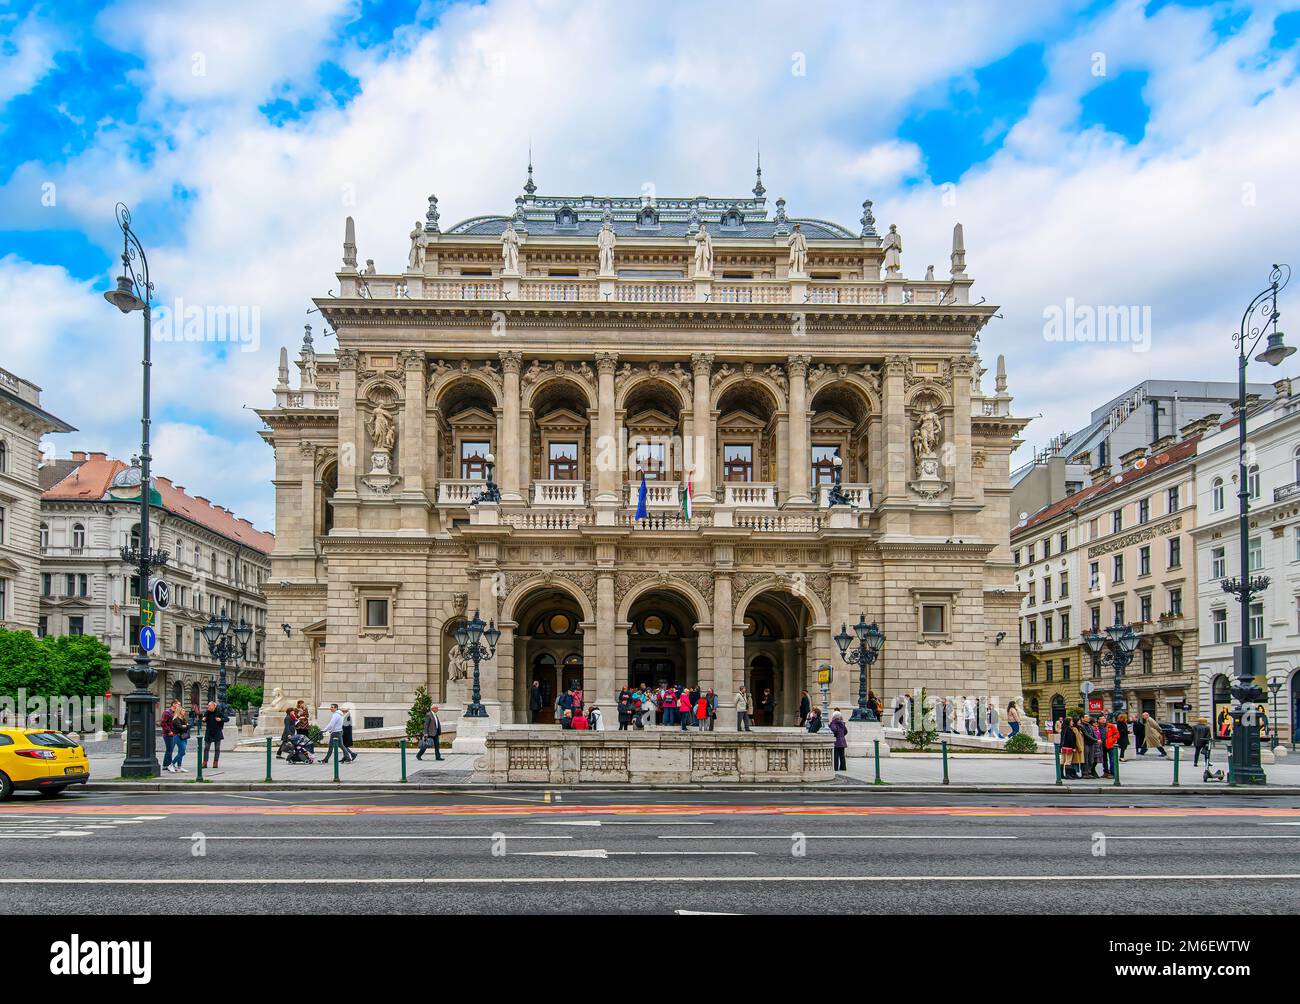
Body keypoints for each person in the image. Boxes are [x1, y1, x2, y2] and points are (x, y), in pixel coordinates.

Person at [201, 701, 225, 770]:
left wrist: (220, 719)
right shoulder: (207, 712)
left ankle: (215, 762)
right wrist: (203, 719)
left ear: (214, 706)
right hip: (209, 733)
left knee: (217, 748)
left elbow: (227, 719)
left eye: (210, 706)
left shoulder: (219, 712)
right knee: (206, 748)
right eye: (208, 706)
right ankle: (205, 762)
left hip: (217, 733)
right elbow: (204, 718)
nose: (208, 707)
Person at [170, 701, 190, 773]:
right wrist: (185, 726)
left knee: (181, 752)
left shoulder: (183, 719)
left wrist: (186, 726)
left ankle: (179, 767)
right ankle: (171, 764)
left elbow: (188, 726)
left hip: (184, 736)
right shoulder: (176, 719)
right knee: (182, 752)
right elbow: (180, 728)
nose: (184, 712)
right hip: (178, 736)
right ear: (179, 711)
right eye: (183, 710)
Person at [161, 700, 179, 772]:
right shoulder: (167, 712)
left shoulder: (174, 712)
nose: (179, 706)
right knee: (169, 750)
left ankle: (165, 765)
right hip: (167, 734)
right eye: (178, 704)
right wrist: (169, 731)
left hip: (173, 733)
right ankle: (169, 765)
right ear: (173, 704)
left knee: (169, 749)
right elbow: (163, 723)